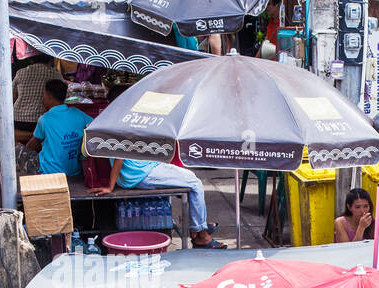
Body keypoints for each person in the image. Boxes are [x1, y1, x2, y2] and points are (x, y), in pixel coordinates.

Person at [91, 158, 223, 248]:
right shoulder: (122, 124)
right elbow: (119, 159)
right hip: (140, 173)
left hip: (146, 166)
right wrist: (110, 187)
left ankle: (198, 226)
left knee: (192, 177)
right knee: (196, 184)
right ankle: (200, 233)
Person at [27, 80, 92, 177]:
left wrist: (24, 151)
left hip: (49, 172)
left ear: (48, 96)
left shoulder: (45, 119)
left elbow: (33, 144)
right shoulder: (78, 113)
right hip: (73, 171)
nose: (42, 99)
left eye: (44, 95)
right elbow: (95, 125)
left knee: (19, 151)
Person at [12, 55, 60, 142]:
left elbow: (13, 97)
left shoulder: (20, 72)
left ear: (30, 59)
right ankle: (37, 137)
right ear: (50, 59)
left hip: (18, 119)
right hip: (42, 119)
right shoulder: (55, 73)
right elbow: (61, 95)